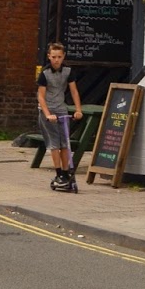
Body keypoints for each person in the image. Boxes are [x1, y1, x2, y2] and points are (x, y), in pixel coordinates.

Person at [37, 42, 83, 193]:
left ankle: (66, 172)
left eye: (59, 57)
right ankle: (58, 174)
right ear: (49, 57)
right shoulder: (45, 73)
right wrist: (47, 114)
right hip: (48, 111)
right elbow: (41, 96)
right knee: (54, 144)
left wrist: (77, 110)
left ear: (63, 57)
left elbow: (74, 91)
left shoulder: (68, 71)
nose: (56, 60)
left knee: (65, 143)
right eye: (53, 57)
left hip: (61, 109)